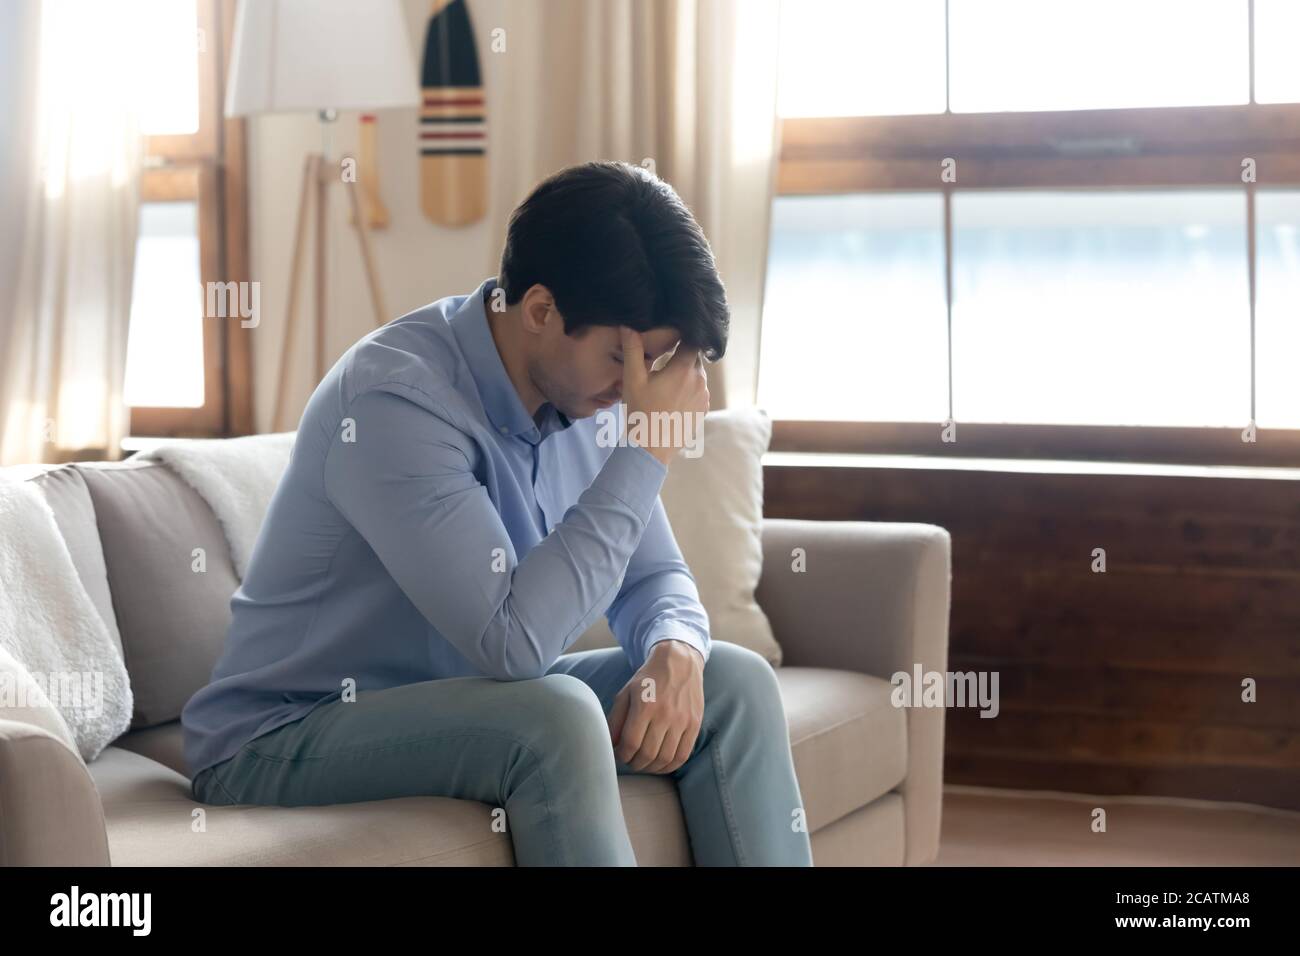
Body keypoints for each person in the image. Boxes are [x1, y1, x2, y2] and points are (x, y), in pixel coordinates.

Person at [181, 160, 813, 866]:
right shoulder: (396, 402)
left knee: (733, 683)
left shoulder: (590, 393)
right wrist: (645, 454)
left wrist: (676, 649)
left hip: (468, 704)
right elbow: (513, 646)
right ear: (541, 310)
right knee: (555, 716)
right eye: (620, 358)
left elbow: (653, 577)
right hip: (288, 732)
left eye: (653, 366)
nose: (635, 389)